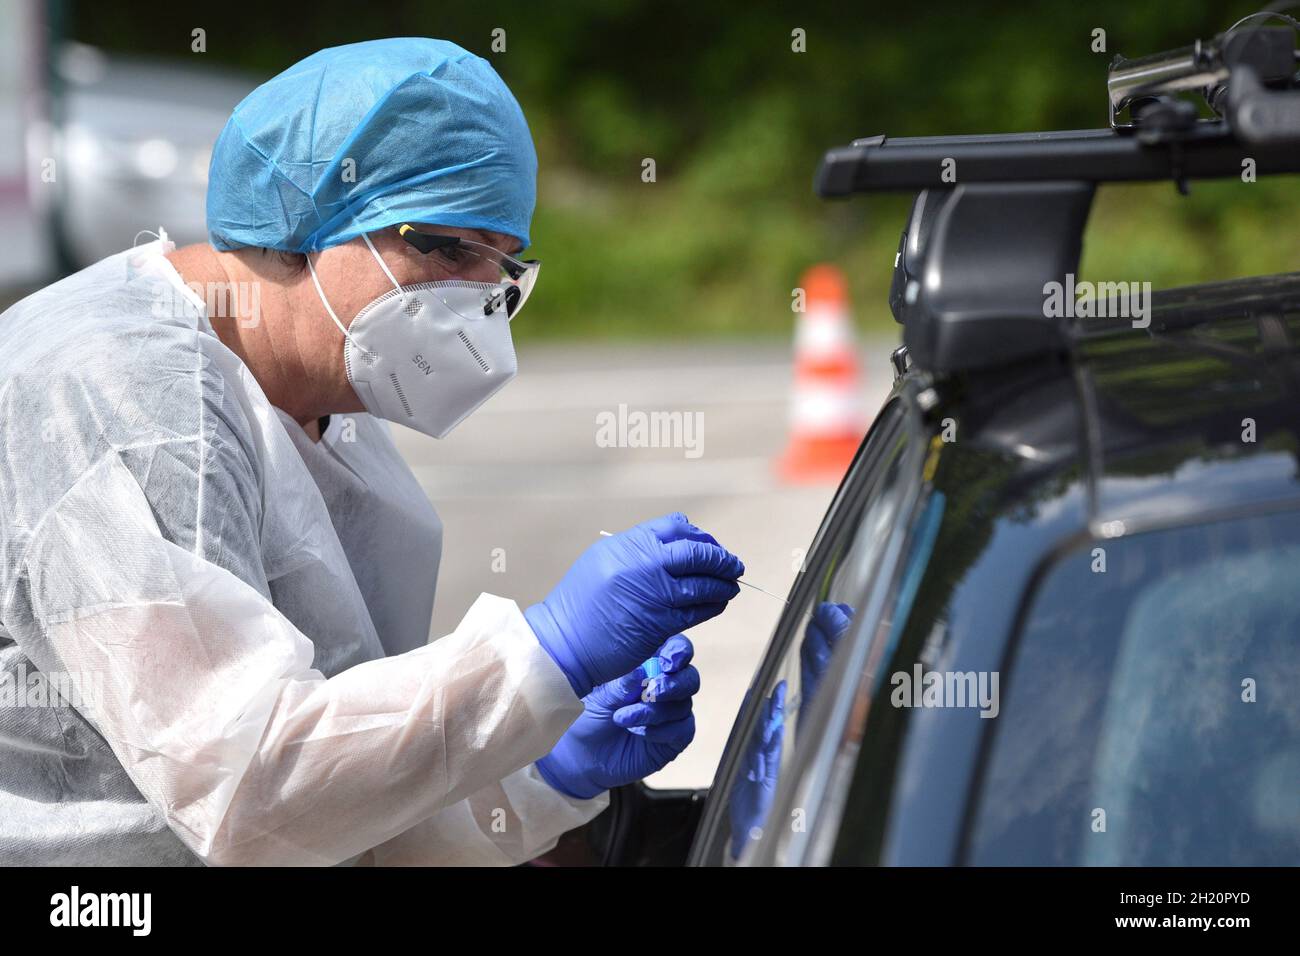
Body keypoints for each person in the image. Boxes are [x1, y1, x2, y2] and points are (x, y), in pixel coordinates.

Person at [0, 38, 743, 866]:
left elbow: (341, 789)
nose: (477, 307)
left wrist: (543, 776)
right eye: (449, 251)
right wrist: (540, 656)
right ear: (305, 216)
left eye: (502, 270)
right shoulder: (122, 400)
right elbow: (248, 789)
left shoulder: (324, 403)